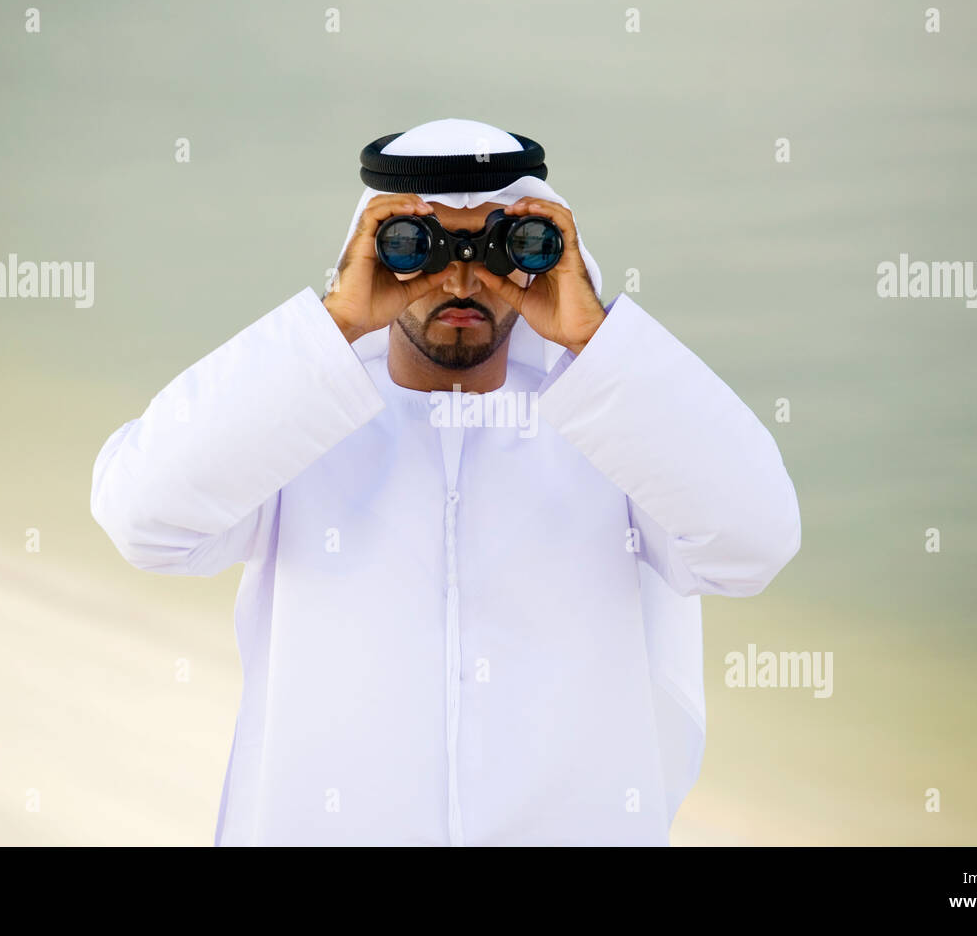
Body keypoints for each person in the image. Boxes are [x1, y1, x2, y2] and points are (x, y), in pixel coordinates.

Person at [90, 118, 801, 846]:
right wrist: (332, 325)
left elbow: (754, 544)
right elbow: (141, 519)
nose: (461, 277)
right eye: (416, 249)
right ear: (367, 254)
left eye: (502, 246)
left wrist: (598, 343)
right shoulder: (295, 415)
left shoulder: (610, 421)